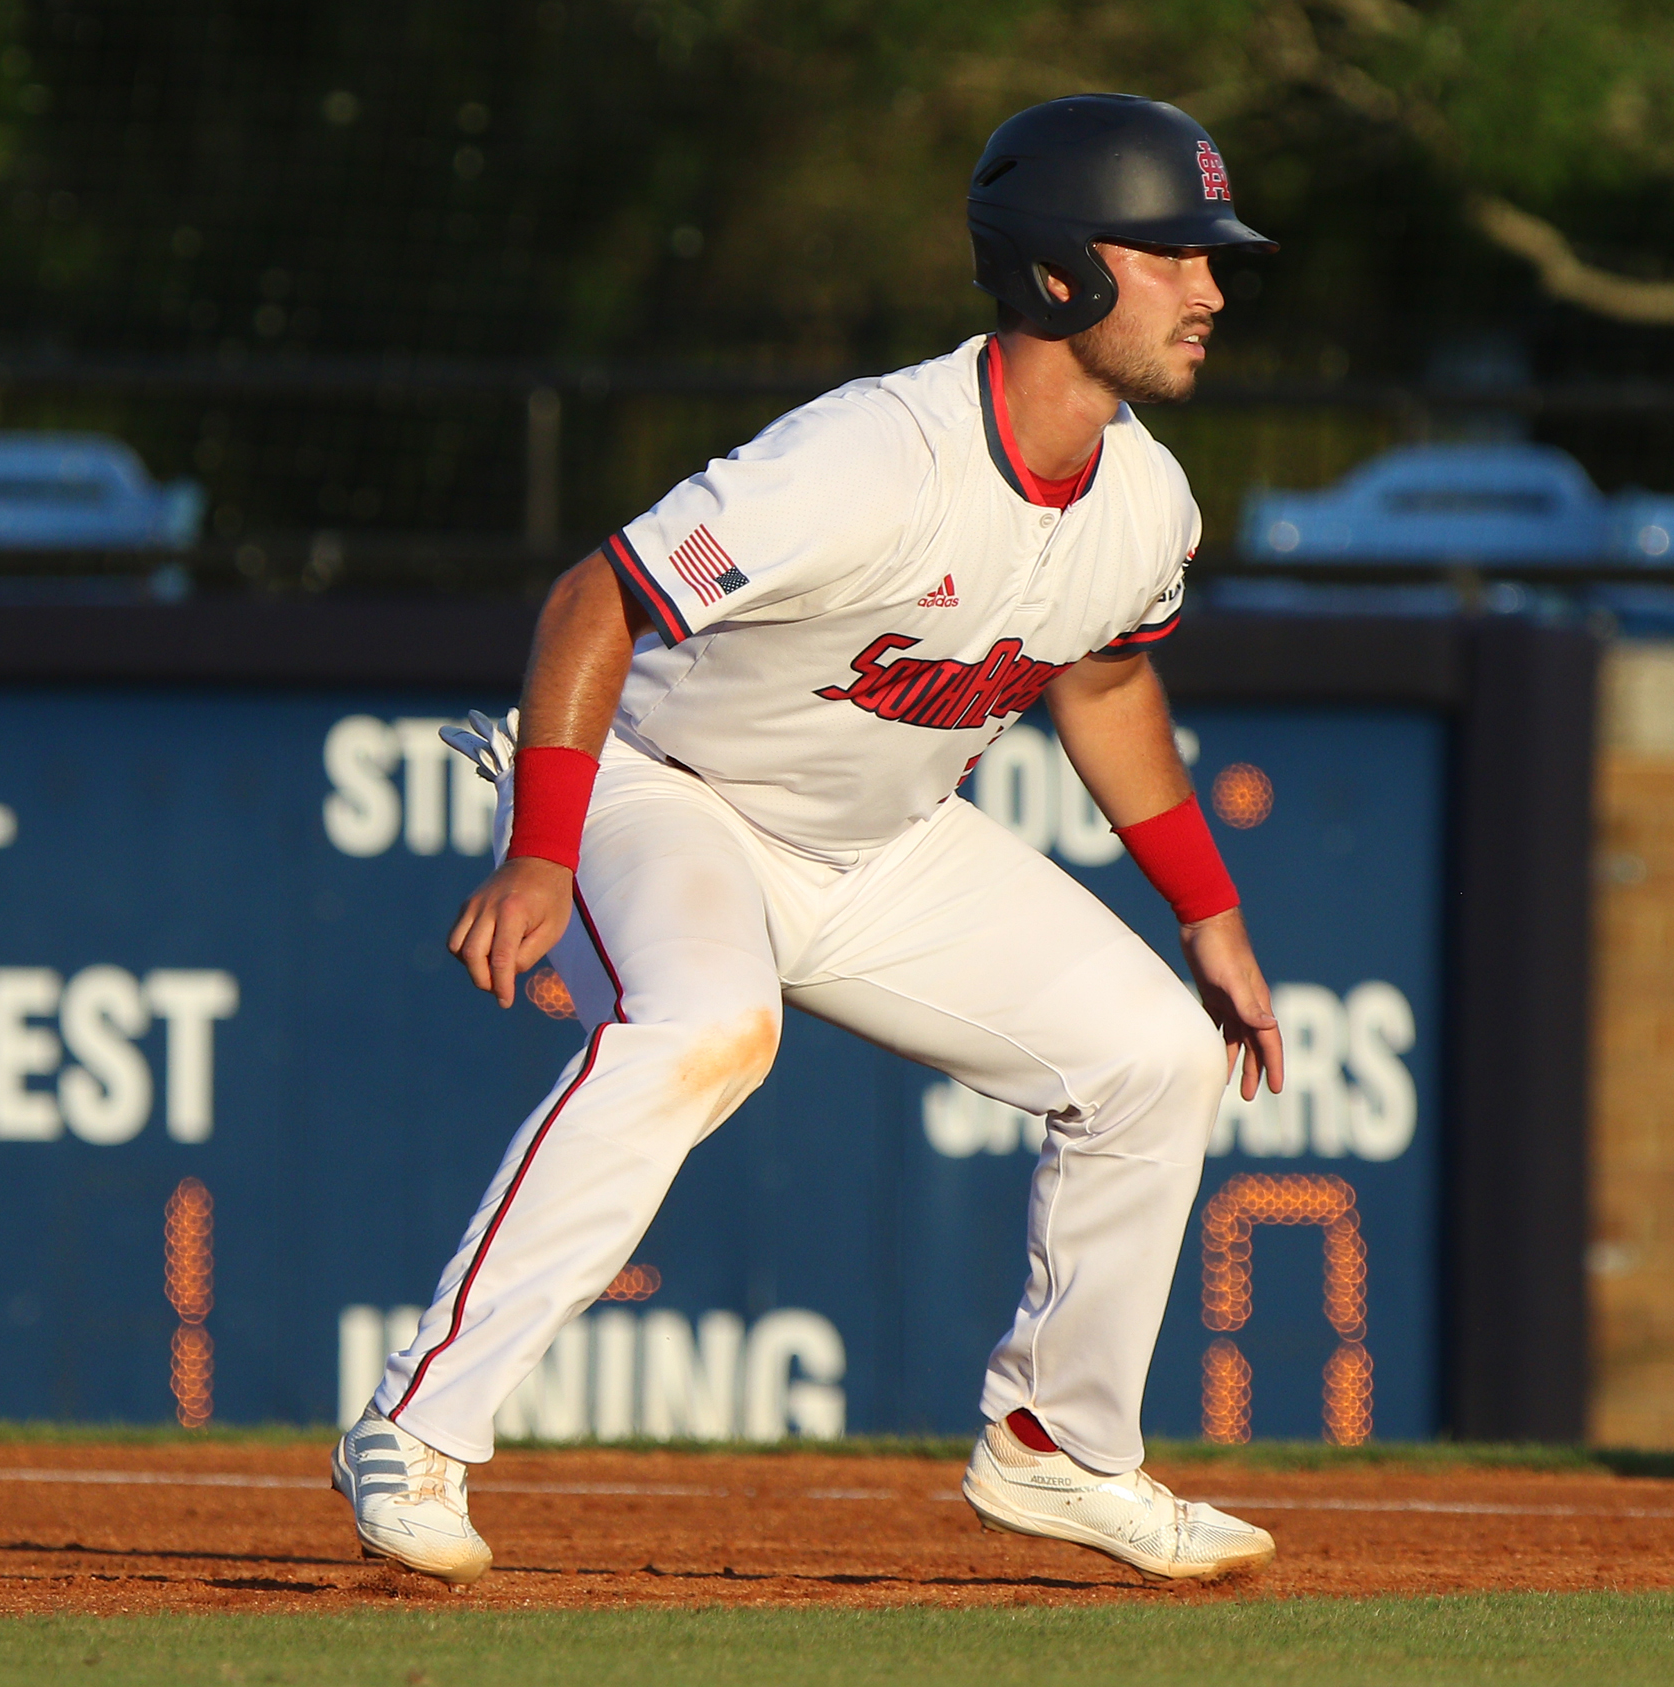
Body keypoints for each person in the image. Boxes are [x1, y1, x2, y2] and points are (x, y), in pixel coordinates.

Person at [332, 93, 1285, 1586]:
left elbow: (1104, 682)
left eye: (1208, 256)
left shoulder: (1147, 497)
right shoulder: (872, 456)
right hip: (667, 793)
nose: (1208, 288)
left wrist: (1208, 914)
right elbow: (600, 598)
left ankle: (1058, 1447)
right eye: (1170, 253)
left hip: (881, 843)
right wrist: (543, 845)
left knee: (1154, 1058)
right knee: (707, 1028)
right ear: (1059, 270)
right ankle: (419, 1424)